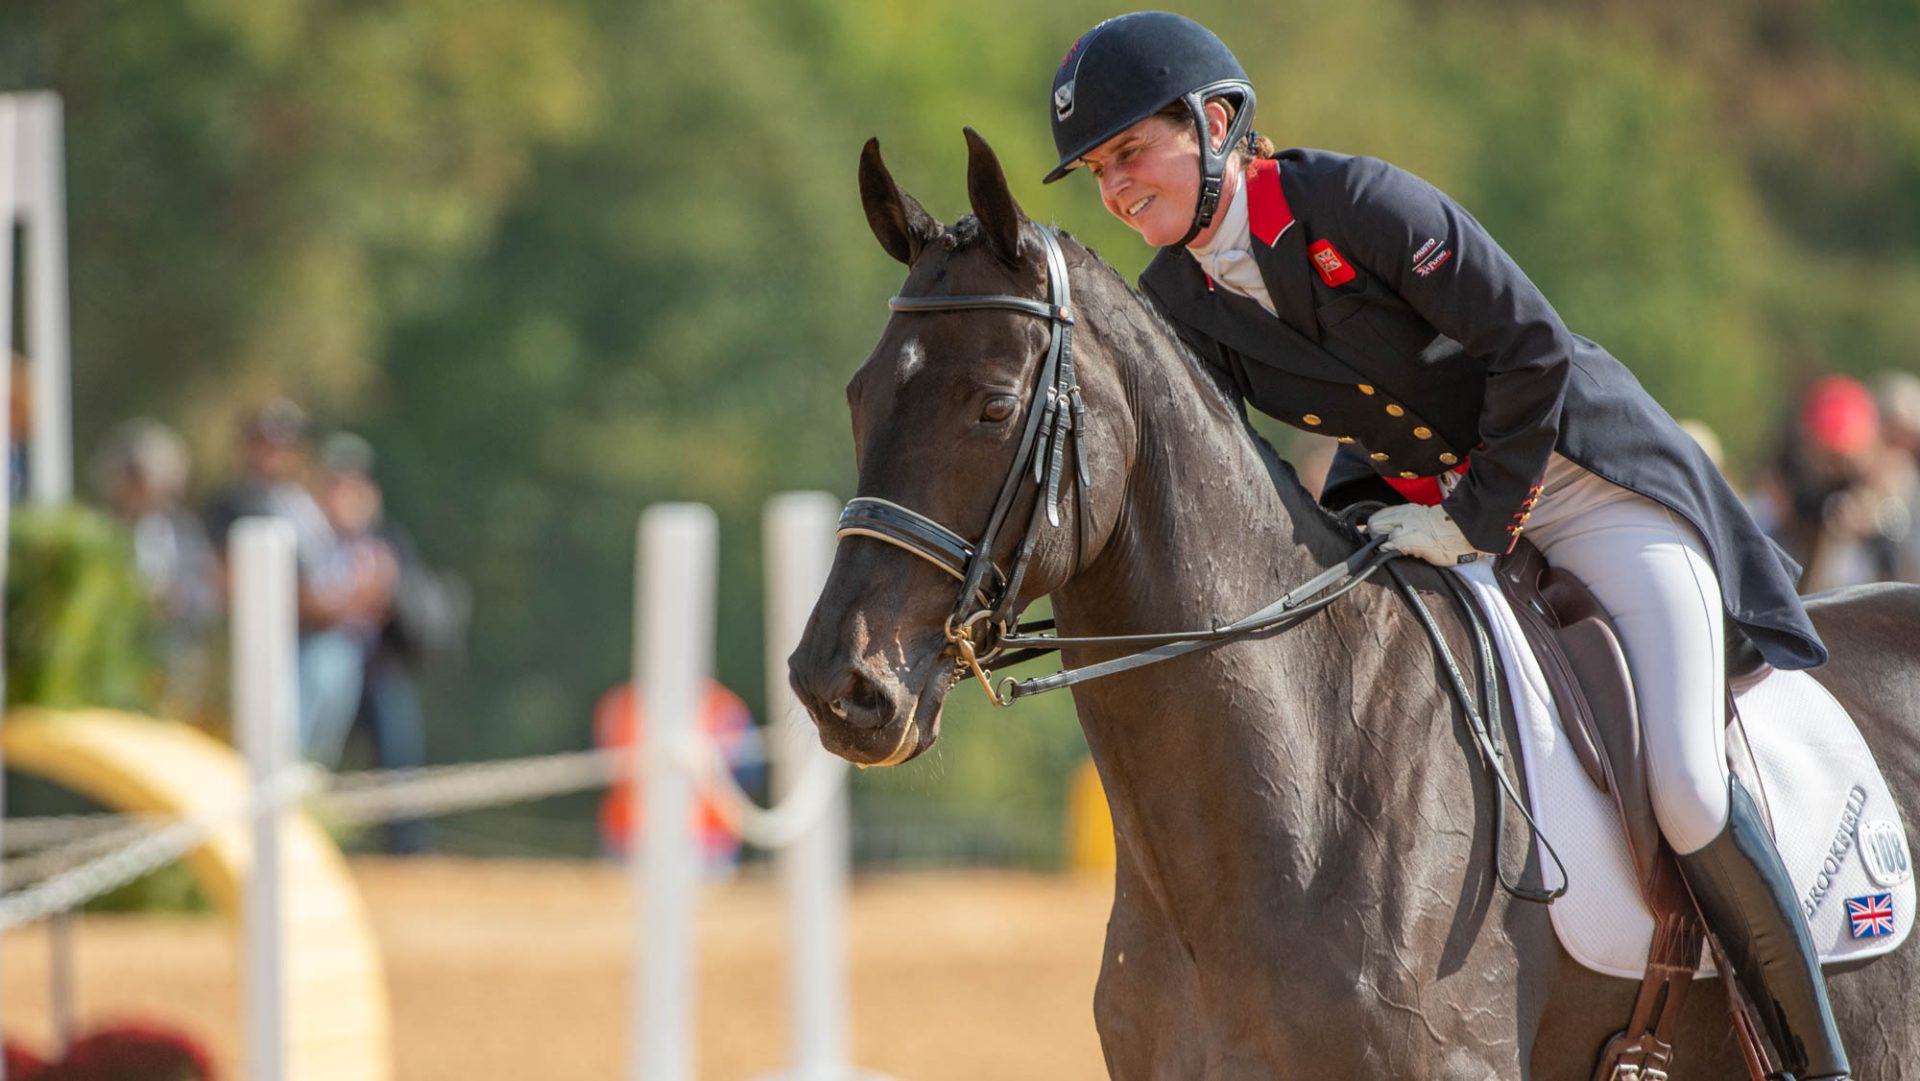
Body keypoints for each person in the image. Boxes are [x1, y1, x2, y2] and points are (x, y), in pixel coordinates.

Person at [1043, 13, 1847, 1078]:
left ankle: (1817, 1058)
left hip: (1582, 485)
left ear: (1218, 121)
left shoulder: (1355, 203)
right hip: (1428, 518)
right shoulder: (1177, 301)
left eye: (1129, 152)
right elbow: (1238, 474)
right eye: (1098, 172)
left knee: (1691, 783)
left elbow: (1531, 348)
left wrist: (1476, 518)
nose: (1117, 188)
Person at [205, 399, 394, 763]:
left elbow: (335, 559)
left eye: (284, 442)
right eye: (266, 441)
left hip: (330, 642)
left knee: (312, 766)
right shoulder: (234, 501)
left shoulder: (297, 500)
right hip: (279, 647)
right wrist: (329, 604)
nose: (275, 452)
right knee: (275, 759)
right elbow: (233, 584)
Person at [94, 418, 222, 717]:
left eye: (142, 475)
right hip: (118, 657)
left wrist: (178, 600)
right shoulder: (100, 531)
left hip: (175, 655)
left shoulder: (184, 531)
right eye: (129, 475)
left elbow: (209, 595)